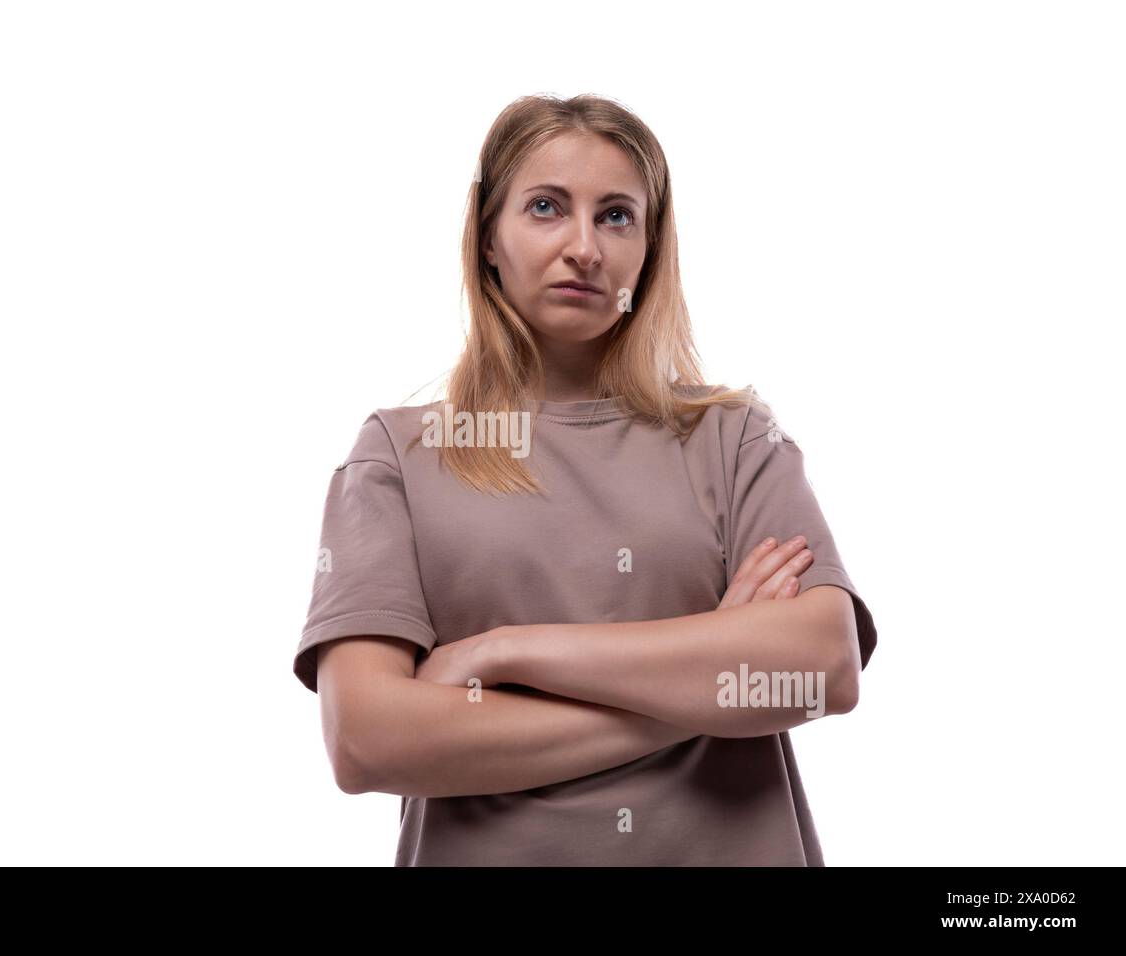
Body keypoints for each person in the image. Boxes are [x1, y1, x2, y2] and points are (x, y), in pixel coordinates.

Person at [292, 93, 877, 866]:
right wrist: (701, 688)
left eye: (616, 216)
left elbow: (821, 671)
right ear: (488, 238)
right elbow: (364, 740)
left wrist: (505, 651)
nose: (584, 248)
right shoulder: (399, 455)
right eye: (545, 207)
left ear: (649, 247)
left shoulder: (733, 436)